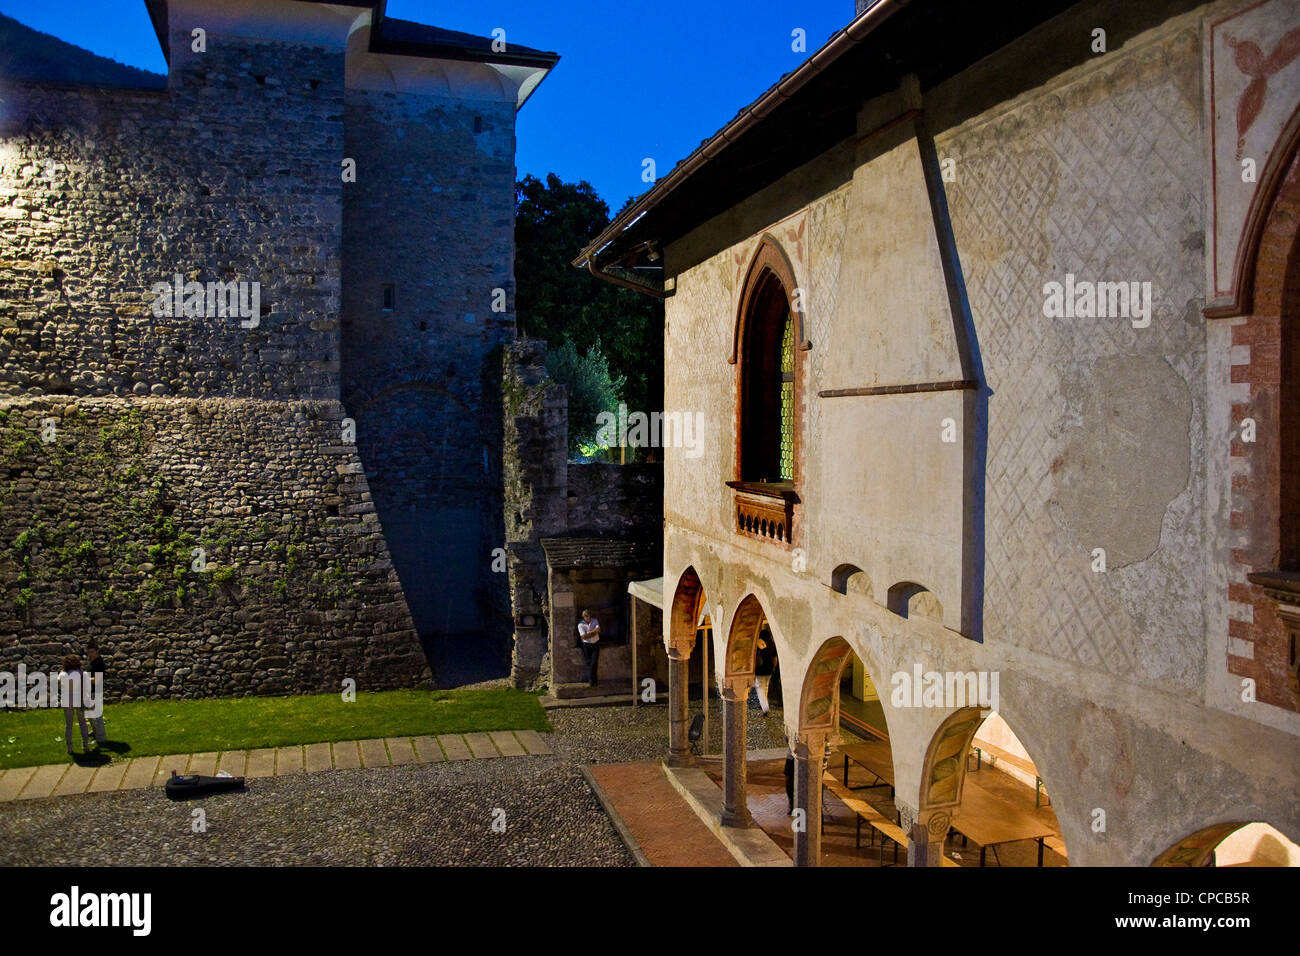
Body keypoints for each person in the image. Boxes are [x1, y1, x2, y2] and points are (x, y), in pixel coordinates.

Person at [58, 655, 91, 756]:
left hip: (67, 701)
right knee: (83, 723)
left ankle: (70, 748)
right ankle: (85, 745)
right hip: (79, 700)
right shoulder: (83, 674)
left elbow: (59, 685)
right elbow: (87, 688)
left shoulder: (63, 674)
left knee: (69, 725)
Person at [85, 641, 107, 745]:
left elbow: (97, 679)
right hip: (90, 691)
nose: (90, 654)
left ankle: (100, 737)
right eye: (89, 652)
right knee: (90, 714)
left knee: (97, 715)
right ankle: (95, 732)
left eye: (92, 652)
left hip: (96, 691)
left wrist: (85, 679)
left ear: (97, 651)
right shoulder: (91, 662)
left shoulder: (99, 663)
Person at [577, 609, 601, 687]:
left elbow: (598, 630)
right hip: (586, 645)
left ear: (590, 615)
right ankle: (593, 681)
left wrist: (589, 633)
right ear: (583, 617)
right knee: (589, 663)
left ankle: (592, 680)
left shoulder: (595, 621)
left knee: (594, 663)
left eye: (588, 615)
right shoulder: (580, 624)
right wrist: (593, 632)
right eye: (585, 616)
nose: (587, 617)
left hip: (595, 644)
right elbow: (584, 636)